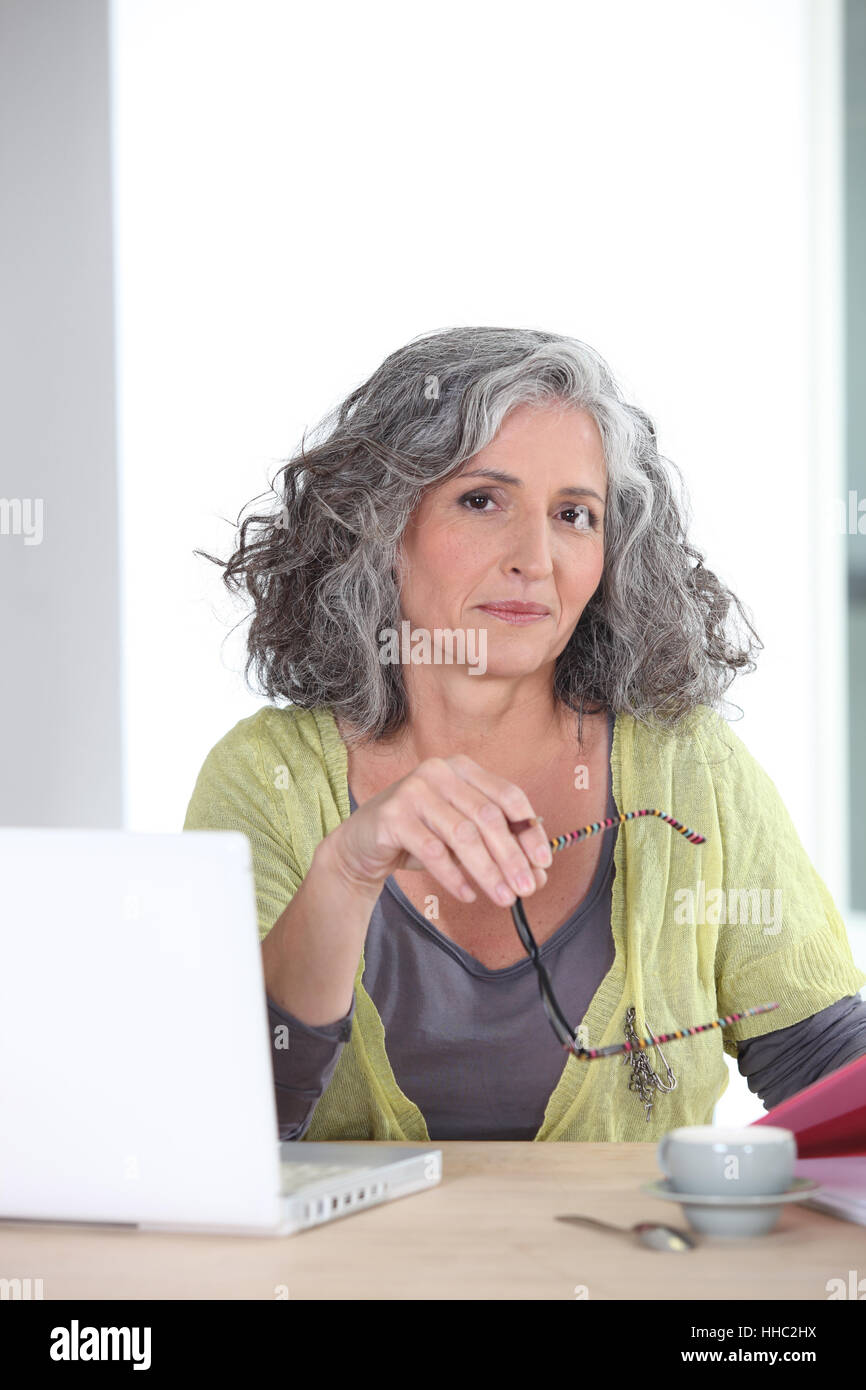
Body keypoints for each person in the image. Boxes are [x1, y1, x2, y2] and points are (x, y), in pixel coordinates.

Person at [184, 326, 866, 1142]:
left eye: (574, 515)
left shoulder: (689, 767)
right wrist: (347, 870)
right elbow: (221, 1126)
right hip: (352, 1276)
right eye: (481, 500)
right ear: (380, 526)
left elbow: (830, 1068)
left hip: (634, 1271)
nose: (535, 557)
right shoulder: (268, 777)